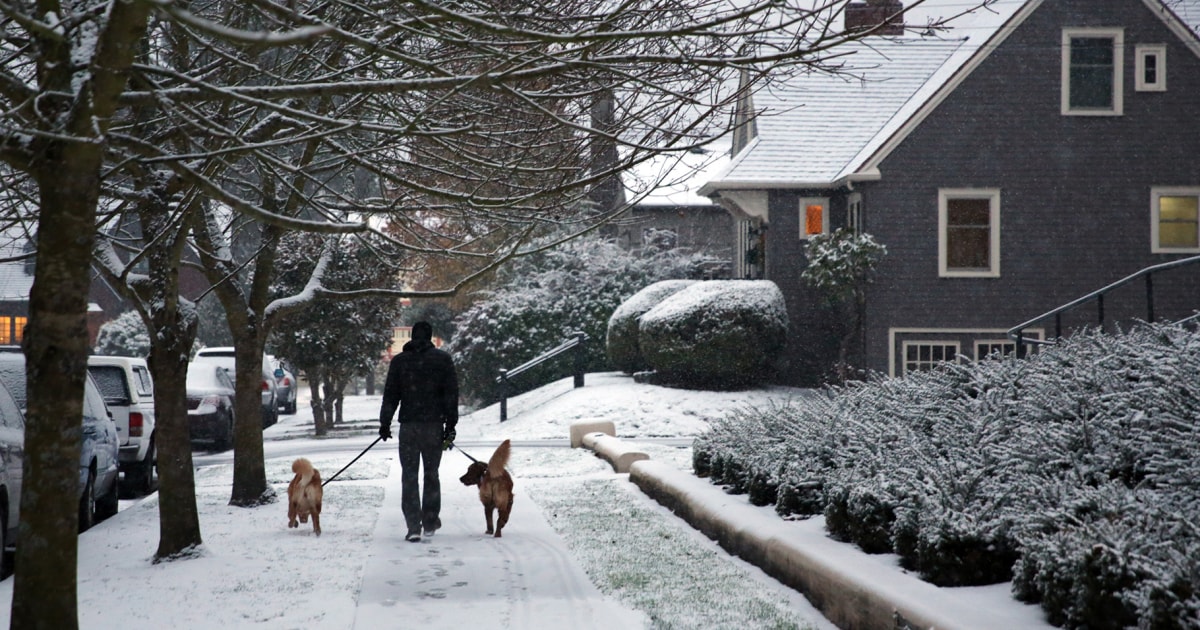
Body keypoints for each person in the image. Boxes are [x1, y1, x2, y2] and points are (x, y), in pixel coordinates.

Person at [379, 321, 459, 542]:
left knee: (409, 476)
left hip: (409, 427)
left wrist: (385, 423)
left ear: (412, 337)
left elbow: (391, 395)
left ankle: (413, 526)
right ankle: (430, 520)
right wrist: (451, 425)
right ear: (431, 337)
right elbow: (451, 394)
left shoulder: (400, 362)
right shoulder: (442, 360)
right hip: (433, 426)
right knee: (431, 474)